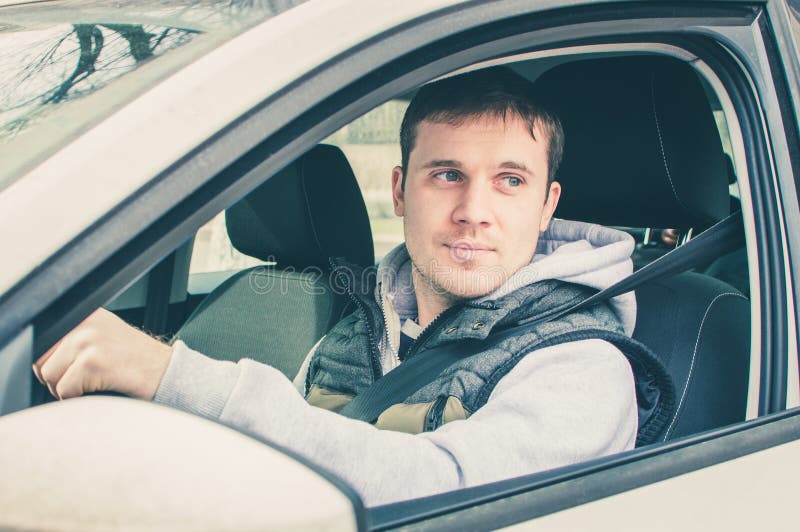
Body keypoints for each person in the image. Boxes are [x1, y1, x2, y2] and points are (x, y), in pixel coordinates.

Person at [32, 67, 669, 507]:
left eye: (510, 180)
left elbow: (447, 492)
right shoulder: (359, 325)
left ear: (547, 204)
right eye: (447, 174)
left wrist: (174, 375)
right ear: (399, 189)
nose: (475, 209)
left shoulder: (583, 362)